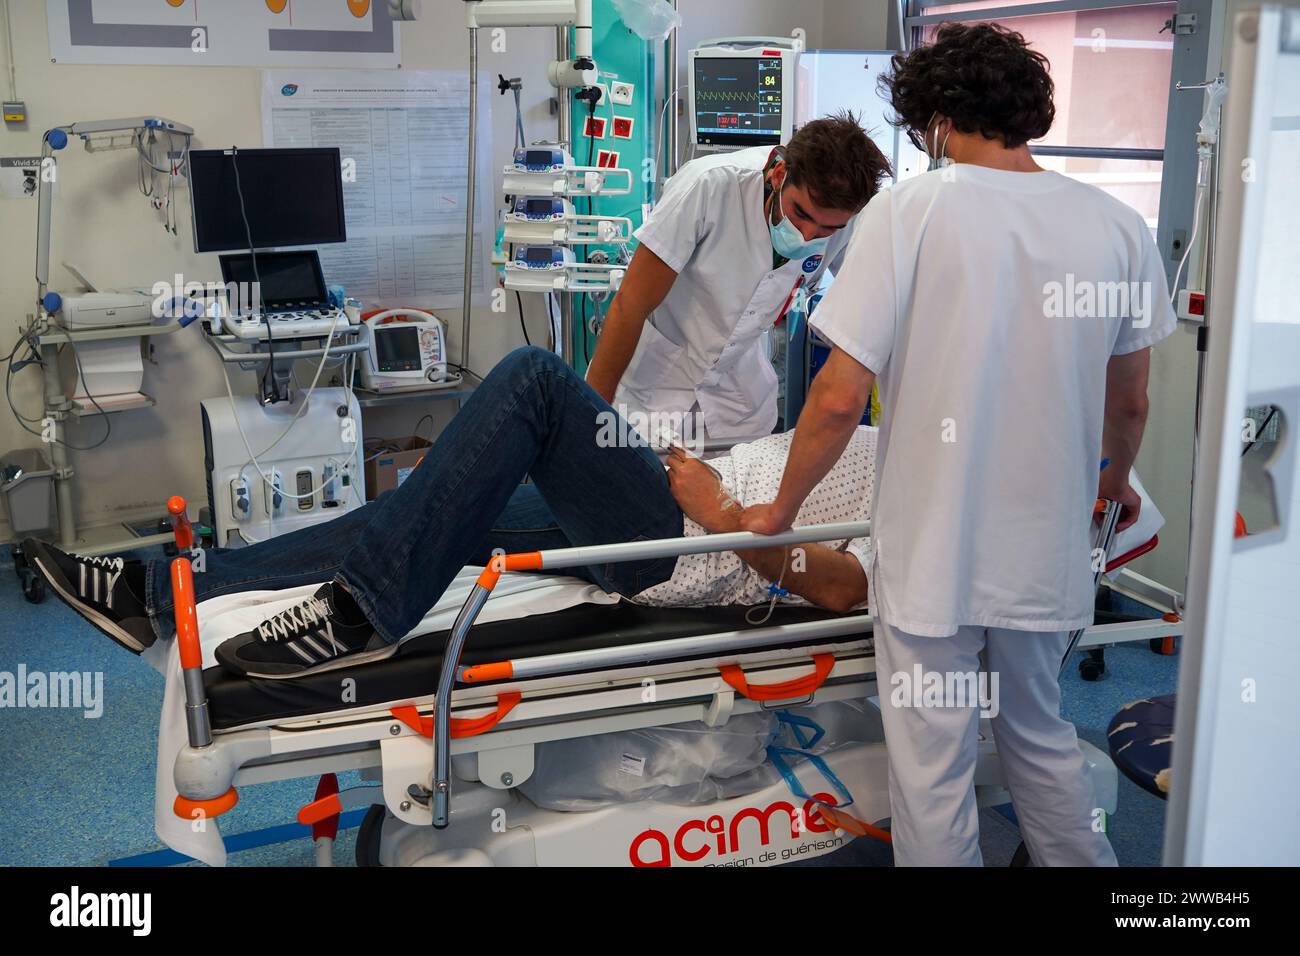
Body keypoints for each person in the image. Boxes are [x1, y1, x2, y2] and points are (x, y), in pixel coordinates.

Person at [741, 23, 1177, 866]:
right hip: (1044, 547)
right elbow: (1130, 401)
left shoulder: (910, 212)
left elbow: (834, 399)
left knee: (933, 771)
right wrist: (1115, 482)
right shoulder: (1118, 227)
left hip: (934, 551)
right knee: (1040, 737)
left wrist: (779, 514)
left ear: (936, 119)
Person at [27, 347, 874, 680]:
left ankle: (367, 613)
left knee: (536, 379)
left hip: (684, 543)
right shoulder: (884, 435)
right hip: (667, 500)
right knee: (409, 520)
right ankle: (152, 591)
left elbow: (841, 591)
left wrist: (723, 508)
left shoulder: (926, 496)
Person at [584, 112, 892, 442]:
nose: (807, 235)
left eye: (828, 228)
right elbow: (629, 306)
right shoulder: (709, 186)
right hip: (649, 390)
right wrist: (588, 419)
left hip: (738, 404)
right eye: (800, 213)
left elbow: (879, 315)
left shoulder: (852, 222)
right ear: (779, 174)